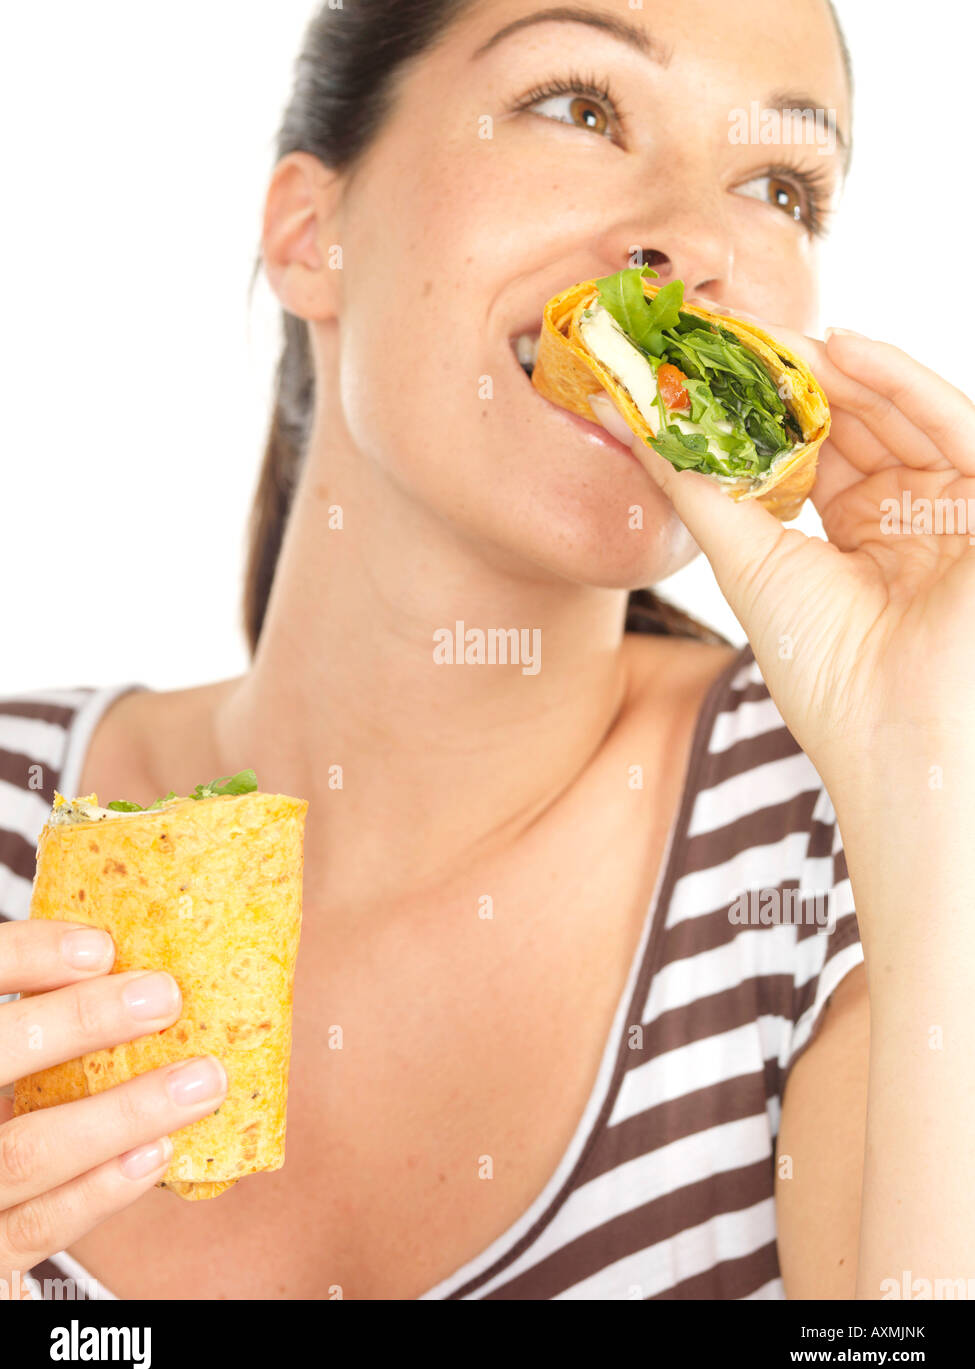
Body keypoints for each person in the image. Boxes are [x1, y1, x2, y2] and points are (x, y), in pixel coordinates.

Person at [1, 0, 972, 1301]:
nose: (695, 244)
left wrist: (934, 770)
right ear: (312, 234)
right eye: (581, 107)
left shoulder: (842, 852)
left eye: (780, 185)